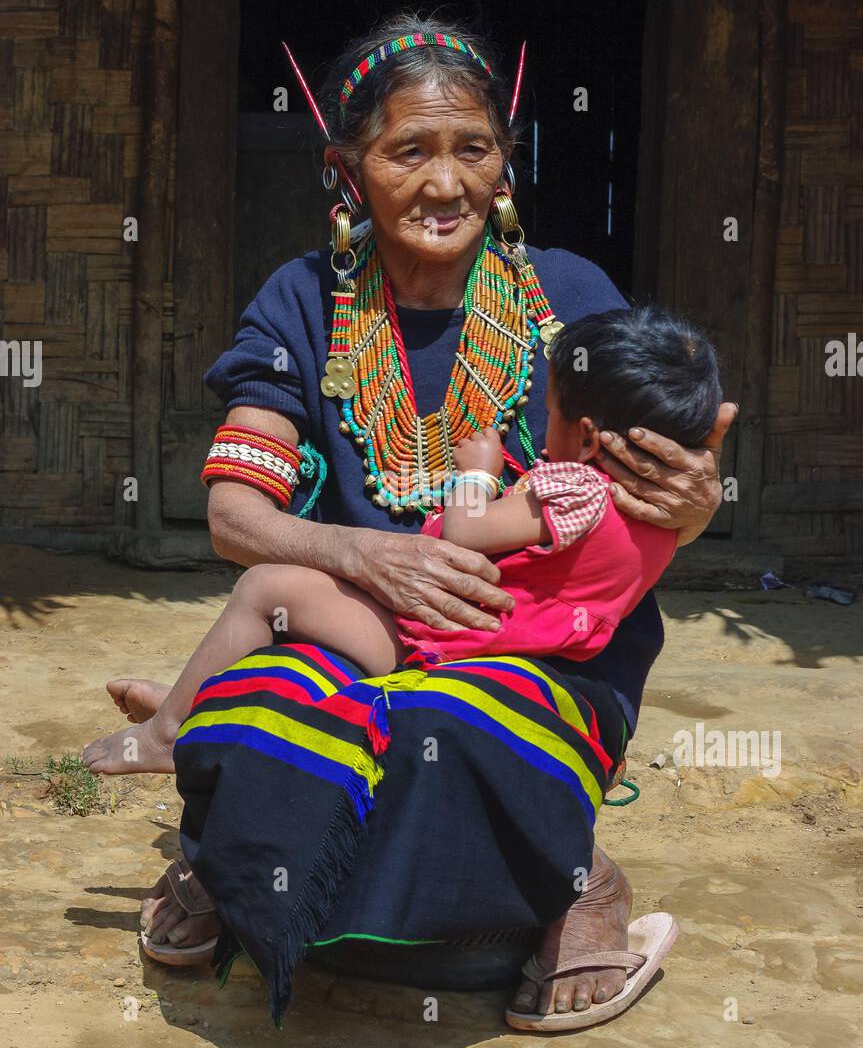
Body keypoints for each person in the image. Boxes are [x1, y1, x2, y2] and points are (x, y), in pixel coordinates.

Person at [100, 13, 735, 1031]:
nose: (445, 185)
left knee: (447, 731)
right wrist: (362, 552)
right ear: (345, 166)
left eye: (471, 149)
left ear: (504, 163)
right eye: (408, 151)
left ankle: (578, 882)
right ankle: (230, 863)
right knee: (259, 703)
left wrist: (693, 512)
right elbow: (232, 514)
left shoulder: (571, 300)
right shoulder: (301, 303)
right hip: (363, 628)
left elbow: (643, 508)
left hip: (536, 654)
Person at [82, 307, 722, 777]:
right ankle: (190, 705)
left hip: (438, 635)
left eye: (548, 411)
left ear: (586, 438)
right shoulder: (664, 514)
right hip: (514, 650)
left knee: (266, 589)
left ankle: (169, 733)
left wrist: (478, 471)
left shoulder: (574, 489)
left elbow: (469, 530)